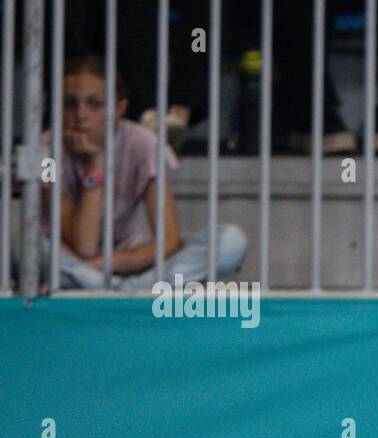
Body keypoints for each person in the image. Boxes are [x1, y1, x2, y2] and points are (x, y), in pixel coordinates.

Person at [36, 54, 248, 291]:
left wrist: (105, 264)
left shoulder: (144, 143)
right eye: (70, 103)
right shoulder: (45, 152)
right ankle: (130, 292)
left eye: (94, 104)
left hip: (125, 263)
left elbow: (168, 242)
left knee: (230, 241)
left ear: (119, 109)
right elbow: (83, 246)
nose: (81, 115)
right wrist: (95, 163)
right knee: (27, 244)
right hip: (69, 260)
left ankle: (114, 288)